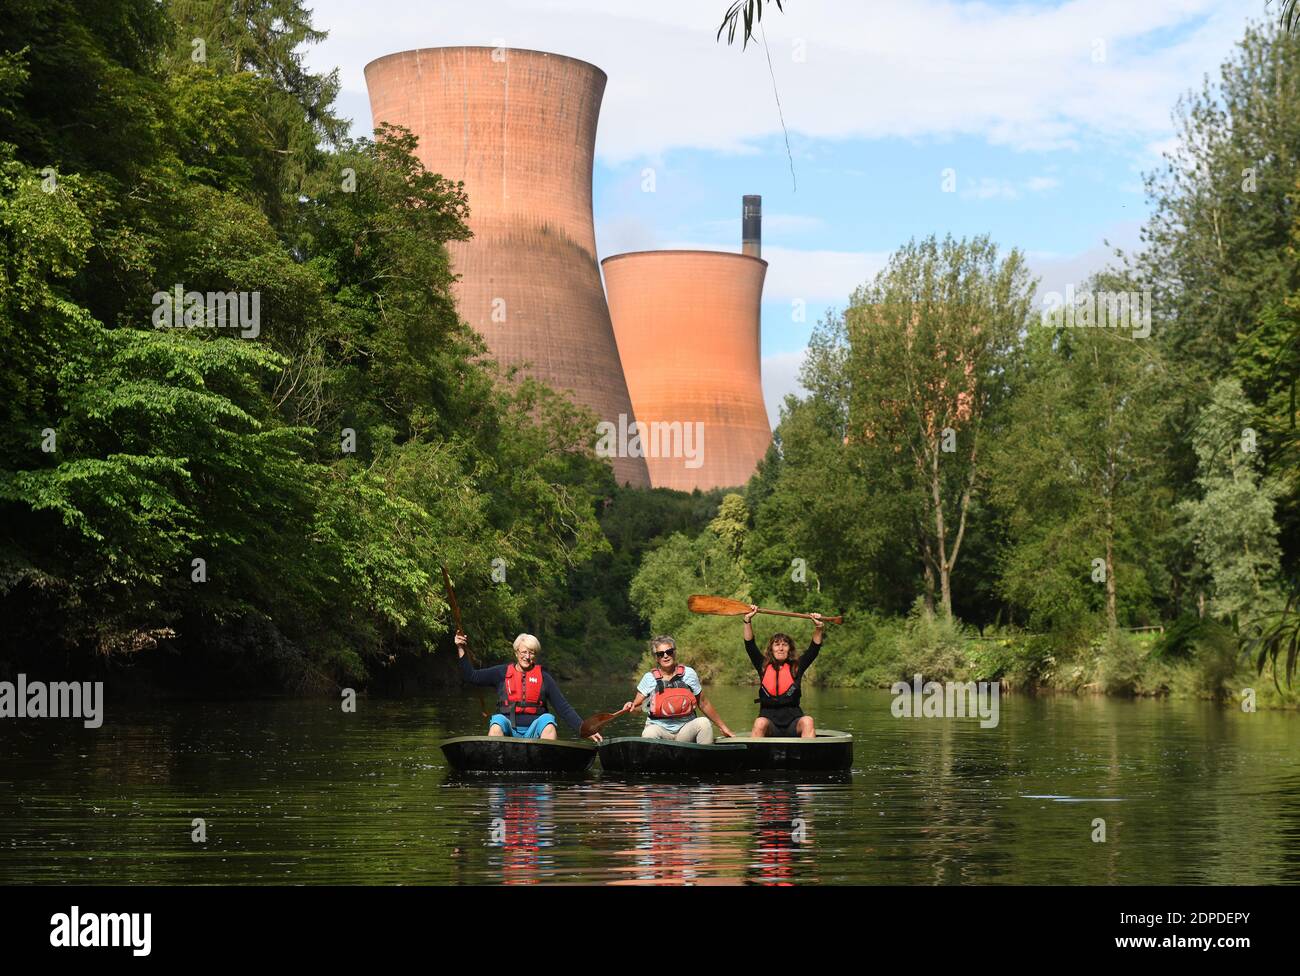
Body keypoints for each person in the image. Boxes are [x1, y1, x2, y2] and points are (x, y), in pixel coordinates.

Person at [456, 632, 601, 741]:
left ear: (535, 655)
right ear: (516, 653)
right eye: (524, 652)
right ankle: (495, 762)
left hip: (534, 730)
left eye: (531, 653)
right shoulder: (501, 672)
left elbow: (564, 709)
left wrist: (586, 730)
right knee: (496, 723)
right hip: (508, 728)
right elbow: (471, 676)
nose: (527, 656)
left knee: (548, 722)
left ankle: (545, 766)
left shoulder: (544, 677)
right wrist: (461, 648)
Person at [622, 635, 734, 743]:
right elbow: (637, 708)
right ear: (656, 657)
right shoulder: (649, 678)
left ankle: (702, 759)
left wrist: (724, 727)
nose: (666, 656)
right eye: (661, 654)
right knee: (649, 733)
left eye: (669, 652)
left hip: (685, 731)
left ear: (674, 653)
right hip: (660, 730)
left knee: (704, 723)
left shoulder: (689, 673)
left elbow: (703, 703)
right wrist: (631, 706)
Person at [743, 604, 824, 738]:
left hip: (793, 722)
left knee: (808, 721)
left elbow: (814, 649)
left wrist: (819, 628)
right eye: (777, 645)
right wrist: (747, 620)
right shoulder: (763, 665)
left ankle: (808, 757)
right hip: (770, 723)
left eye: (784, 645)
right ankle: (755, 757)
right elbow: (749, 645)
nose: (781, 648)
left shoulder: (797, 666)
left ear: (789, 649)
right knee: (759, 723)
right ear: (771, 649)